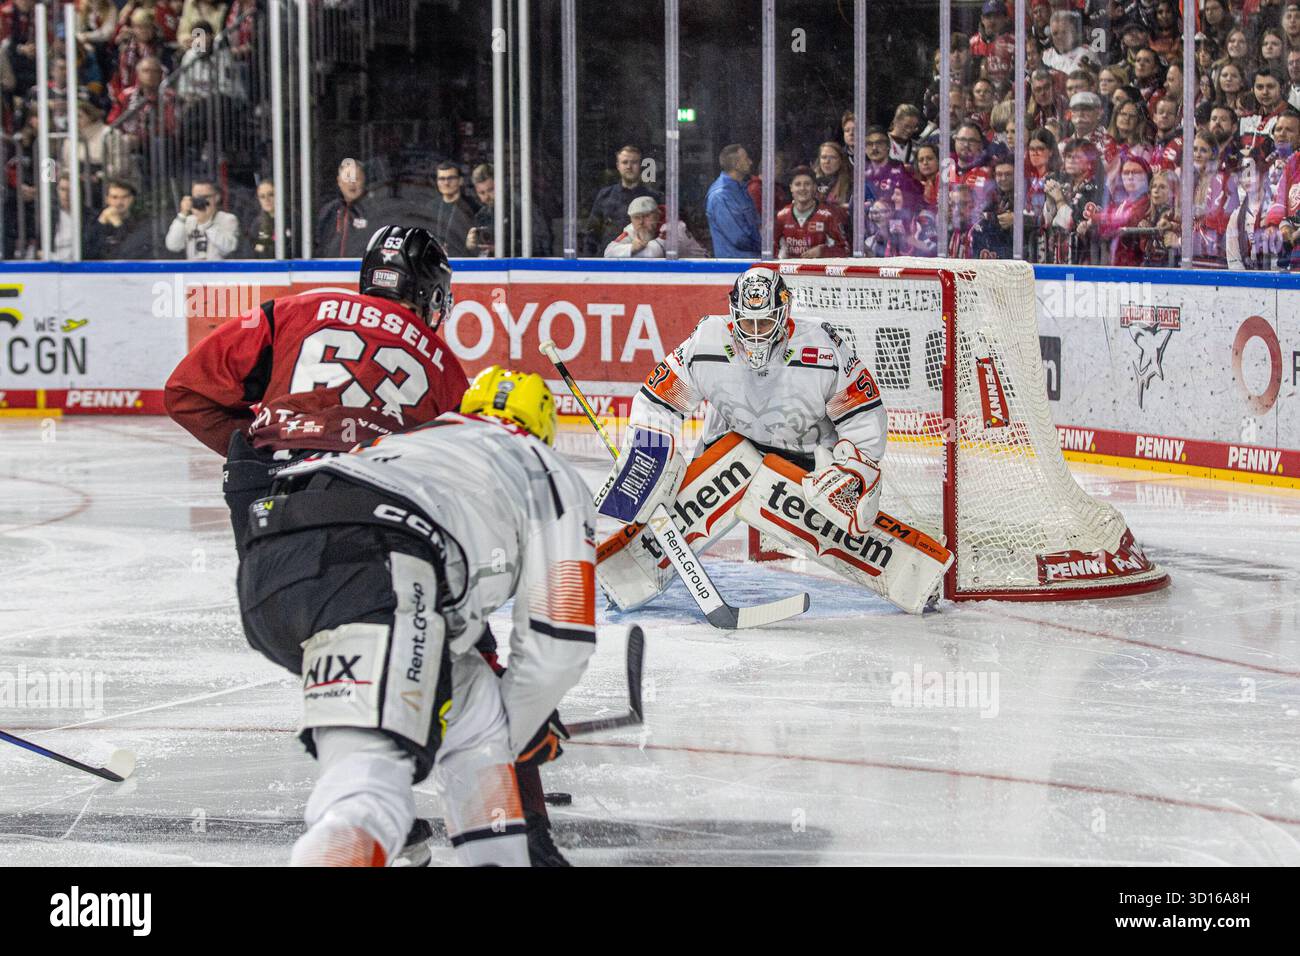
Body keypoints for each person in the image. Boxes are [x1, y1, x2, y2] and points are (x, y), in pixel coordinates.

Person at [235, 365, 595, 866]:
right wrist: (526, 724)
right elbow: (560, 638)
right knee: (366, 795)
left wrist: (508, 722)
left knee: (476, 710)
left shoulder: (413, 441)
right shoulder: (545, 468)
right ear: (543, 427)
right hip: (375, 570)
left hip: (272, 571)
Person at [594, 266, 889, 613]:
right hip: (729, 450)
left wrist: (853, 469)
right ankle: (624, 576)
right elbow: (659, 402)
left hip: (804, 463)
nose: (755, 334)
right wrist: (647, 455)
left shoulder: (823, 347)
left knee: (839, 509)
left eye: (764, 323)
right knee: (675, 499)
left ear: (784, 313)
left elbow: (863, 414)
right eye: (747, 323)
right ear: (733, 313)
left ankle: (900, 570)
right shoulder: (706, 340)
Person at [582, 145, 662, 255]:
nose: (629, 166)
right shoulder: (605, 196)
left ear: (640, 166)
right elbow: (592, 234)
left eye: (634, 162)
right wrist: (588, 266)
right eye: (625, 162)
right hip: (609, 265)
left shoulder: (654, 197)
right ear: (618, 166)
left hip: (644, 263)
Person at [774, 166, 847, 258]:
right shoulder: (782, 216)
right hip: (789, 271)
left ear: (814, 187)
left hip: (818, 271)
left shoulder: (828, 216)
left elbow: (845, 250)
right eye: (797, 184)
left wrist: (823, 252)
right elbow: (772, 249)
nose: (802, 188)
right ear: (791, 188)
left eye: (807, 184)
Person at [603, 195, 706, 258]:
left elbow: (652, 254)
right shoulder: (633, 228)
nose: (641, 222)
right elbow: (608, 252)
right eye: (636, 217)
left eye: (646, 216)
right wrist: (632, 248)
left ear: (658, 214)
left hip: (702, 272)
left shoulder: (674, 227)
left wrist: (629, 251)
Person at [706, 143, 761, 258]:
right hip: (733, 269)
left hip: (750, 264)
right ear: (736, 165)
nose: (750, 162)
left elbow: (756, 224)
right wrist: (766, 246)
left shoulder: (741, 189)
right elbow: (738, 238)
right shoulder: (720, 196)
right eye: (746, 159)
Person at [164, 179, 240, 260]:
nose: (200, 201)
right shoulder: (189, 220)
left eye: (204, 197)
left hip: (218, 270)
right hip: (193, 269)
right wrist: (182, 215)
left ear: (216, 197)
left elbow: (229, 248)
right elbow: (173, 246)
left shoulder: (228, 219)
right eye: (196, 198)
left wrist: (206, 222)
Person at [314, 158, 372, 258]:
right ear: (339, 181)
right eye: (347, 178)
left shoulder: (372, 209)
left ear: (364, 181)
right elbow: (318, 244)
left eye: (356, 179)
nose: (352, 183)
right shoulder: (328, 211)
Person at [86, 178, 154, 259]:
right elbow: (86, 251)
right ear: (107, 199)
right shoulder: (93, 218)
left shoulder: (141, 221)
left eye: (124, 197)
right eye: (115, 197)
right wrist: (100, 223)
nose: (119, 202)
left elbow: (134, 250)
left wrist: (119, 225)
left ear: (131, 199)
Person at [429, 161, 478, 257]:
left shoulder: (472, 206)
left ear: (460, 181)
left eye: (451, 178)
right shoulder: (431, 207)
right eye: (442, 179)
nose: (446, 183)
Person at [244, 178, 277, 258]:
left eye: (271, 194)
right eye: (262, 197)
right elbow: (251, 253)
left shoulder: (293, 220)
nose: (267, 200)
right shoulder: (257, 224)